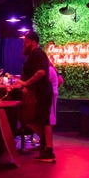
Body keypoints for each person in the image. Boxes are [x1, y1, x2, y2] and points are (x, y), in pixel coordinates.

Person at [16, 30, 55, 162]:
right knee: (40, 120)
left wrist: (26, 83)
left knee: (41, 120)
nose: (24, 43)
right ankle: (46, 149)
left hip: (42, 92)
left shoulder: (37, 53)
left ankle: (49, 151)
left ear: (33, 42)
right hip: (41, 92)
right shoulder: (37, 54)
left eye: (25, 41)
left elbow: (41, 72)